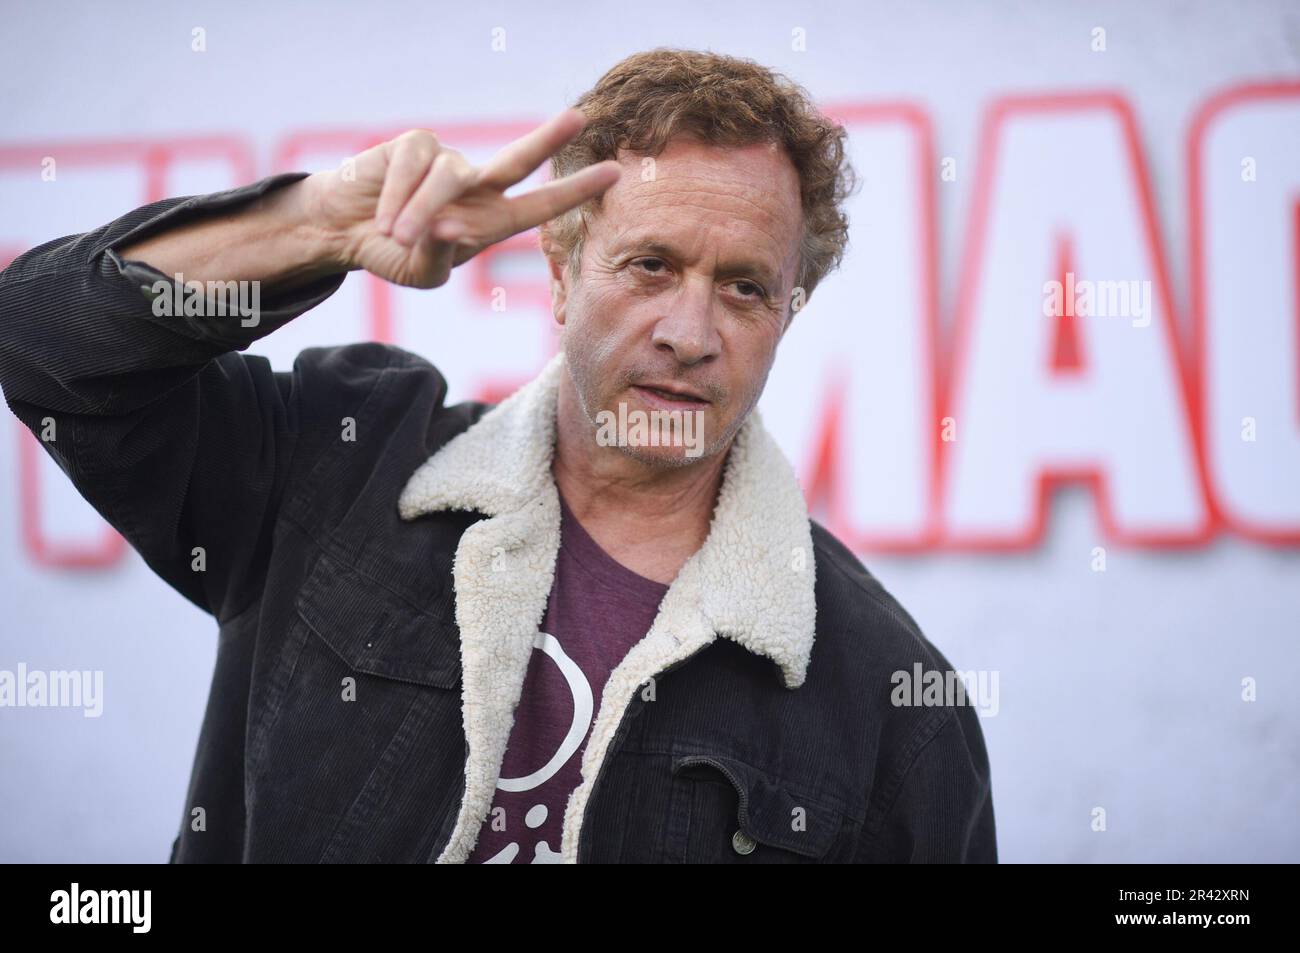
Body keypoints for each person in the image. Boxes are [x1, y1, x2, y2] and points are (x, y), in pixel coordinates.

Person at [0, 47, 995, 863]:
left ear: (790, 312)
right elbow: (41, 346)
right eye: (649, 265)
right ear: (559, 271)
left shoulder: (892, 702)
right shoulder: (337, 463)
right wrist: (316, 226)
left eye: (743, 287)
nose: (689, 331)